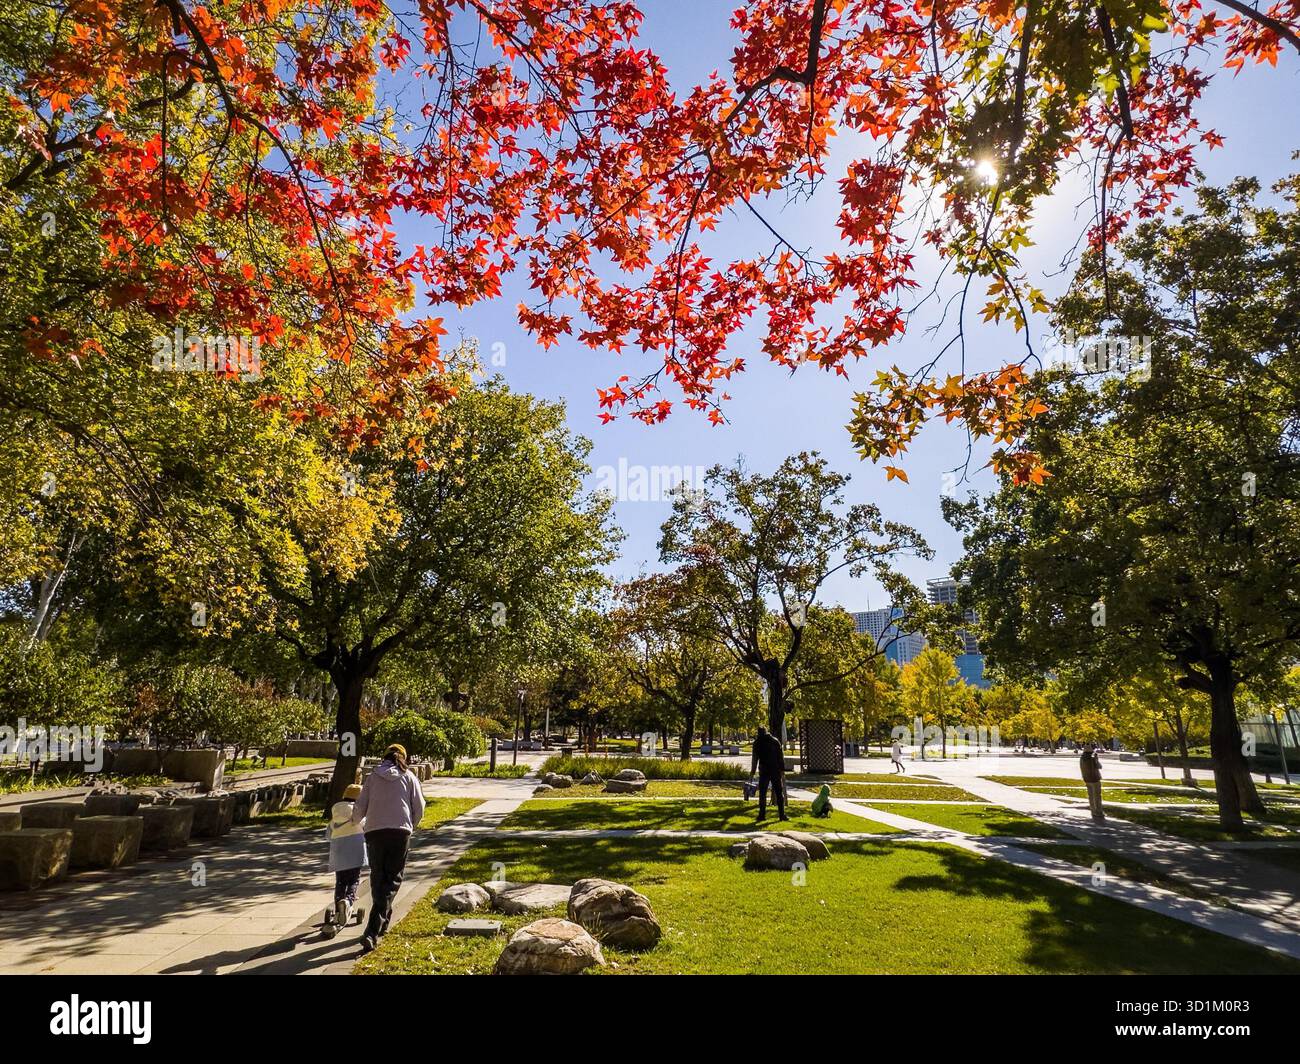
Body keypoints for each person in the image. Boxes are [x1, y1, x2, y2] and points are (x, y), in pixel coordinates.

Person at [353, 744, 426, 952]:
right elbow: (419, 805)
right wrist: (412, 824)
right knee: (392, 880)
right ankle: (372, 931)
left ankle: (382, 922)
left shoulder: (373, 776)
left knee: (378, 877)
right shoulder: (409, 777)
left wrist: (356, 822)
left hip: (374, 832)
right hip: (400, 832)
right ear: (403, 758)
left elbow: (360, 805)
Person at [325, 783, 367, 936]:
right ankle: (348, 901)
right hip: (355, 848)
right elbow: (365, 827)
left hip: (338, 849)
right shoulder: (359, 811)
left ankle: (338, 907)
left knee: (341, 880)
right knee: (354, 879)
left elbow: (328, 833)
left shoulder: (335, 811)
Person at [750, 726, 787, 821]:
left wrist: (753, 771)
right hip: (775, 769)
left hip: (764, 770)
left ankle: (762, 815)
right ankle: (782, 815)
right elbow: (780, 756)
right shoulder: (775, 741)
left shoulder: (757, 743)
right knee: (779, 792)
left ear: (758, 733)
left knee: (762, 794)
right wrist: (782, 770)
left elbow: (755, 759)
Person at [1080, 742, 1105, 822]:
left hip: (1087, 779)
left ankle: (1093, 811)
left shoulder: (1082, 759)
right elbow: (1099, 766)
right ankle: (1099, 811)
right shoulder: (1092, 759)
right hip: (1095, 779)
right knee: (1097, 796)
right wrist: (1096, 759)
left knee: (1091, 796)